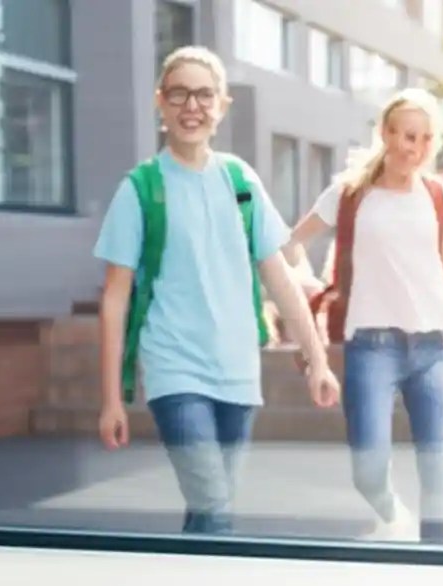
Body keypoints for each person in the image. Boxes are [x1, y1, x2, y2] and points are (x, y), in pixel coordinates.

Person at [94, 46, 339, 535]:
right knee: (213, 500)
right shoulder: (139, 189)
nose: (192, 106)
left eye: (204, 95)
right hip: (175, 370)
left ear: (222, 106)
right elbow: (114, 299)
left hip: (237, 372)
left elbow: (279, 277)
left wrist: (317, 360)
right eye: (180, 94)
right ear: (160, 104)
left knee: (210, 506)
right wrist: (111, 399)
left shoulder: (239, 180)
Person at [284, 88, 443, 544]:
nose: (414, 148)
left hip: (432, 350)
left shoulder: (436, 197)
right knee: (368, 470)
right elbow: (290, 245)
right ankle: (395, 517)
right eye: (407, 136)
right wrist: (309, 288)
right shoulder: (350, 195)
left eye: (425, 139)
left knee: (438, 471)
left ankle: (436, 557)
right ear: (386, 134)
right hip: (371, 349)